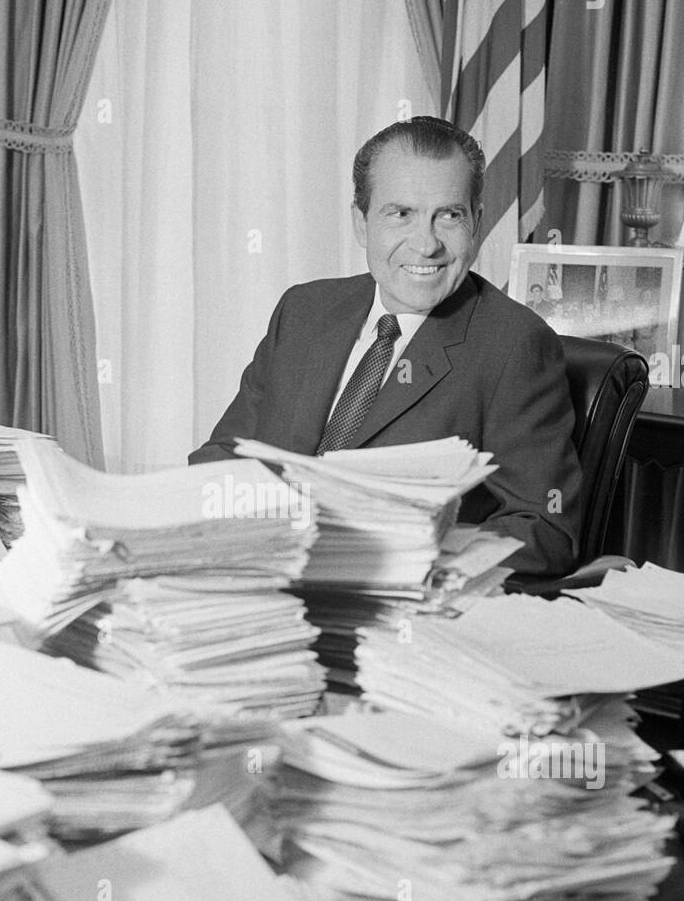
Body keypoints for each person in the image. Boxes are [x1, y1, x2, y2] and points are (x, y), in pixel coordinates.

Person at [189, 116, 581, 577]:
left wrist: (409, 556)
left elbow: (545, 527)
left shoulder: (515, 345)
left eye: (449, 215)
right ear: (361, 222)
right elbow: (225, 455)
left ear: (475, 221)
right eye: (401, 214)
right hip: (257, 579)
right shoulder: (305, 310)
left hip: (392, 606)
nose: (426, 244)